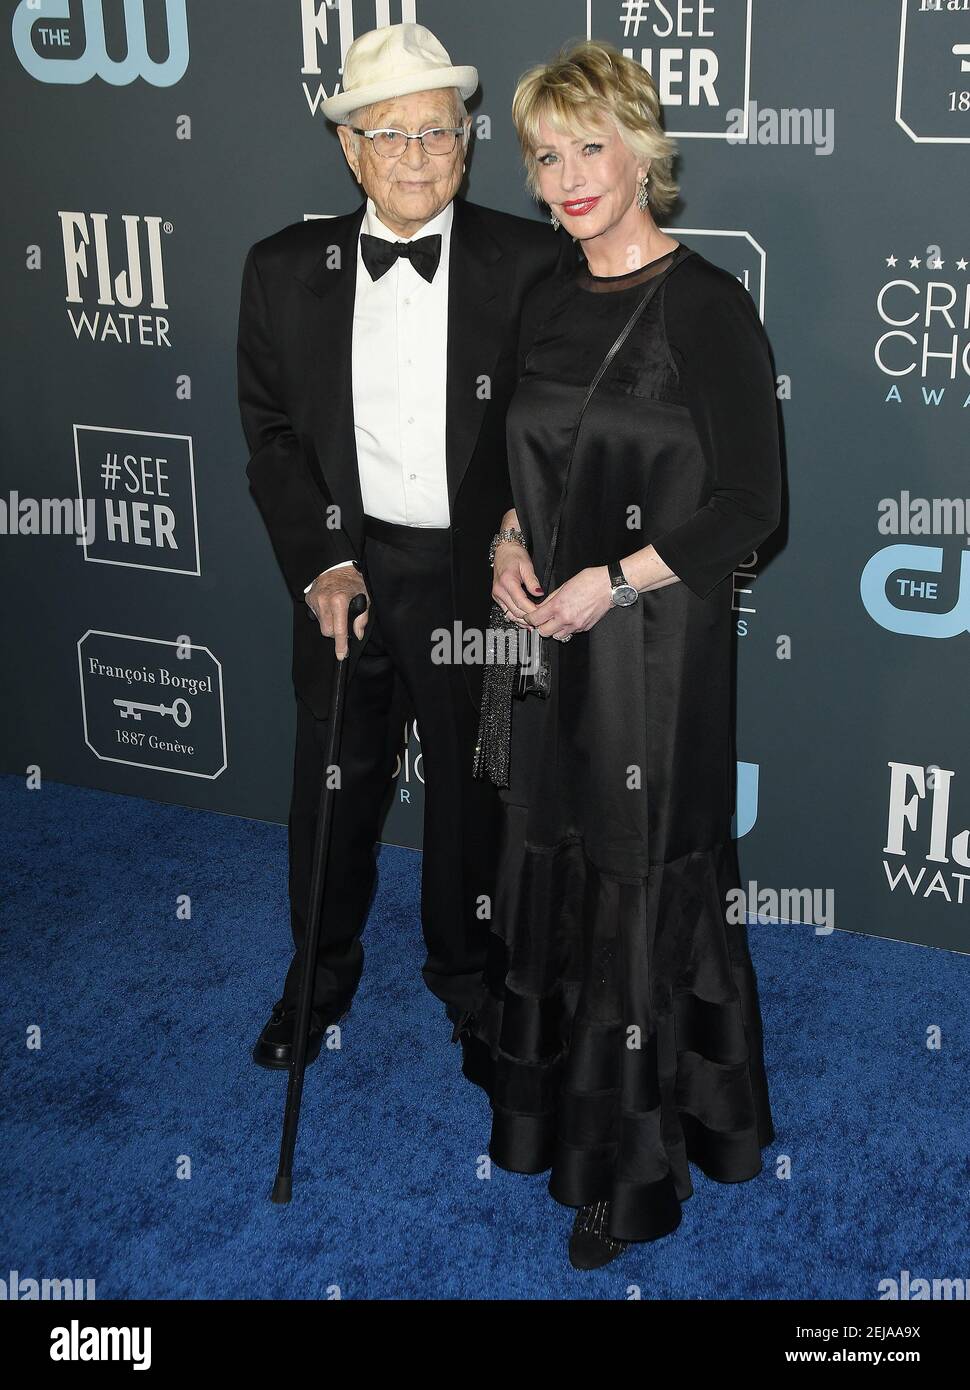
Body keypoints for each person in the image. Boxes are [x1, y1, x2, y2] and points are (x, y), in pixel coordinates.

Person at [463, 38, 783, 1270]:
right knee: (553, 856)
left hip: (655, 643)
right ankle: (555, 1115)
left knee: (637, 873)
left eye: (589, 147)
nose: (566, 177)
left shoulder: (706, 306)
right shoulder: (546, 293)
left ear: (646, 151)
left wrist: (615, 579)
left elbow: (753, 508)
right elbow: (518, 459)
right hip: (548, 634)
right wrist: (504, 542)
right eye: (545, 155)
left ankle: (633, 1168)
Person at [236, 23, 573, 1072]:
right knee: (331, 781)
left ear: (467, 143)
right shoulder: (283, 270)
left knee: (474, 799)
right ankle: (318, 974)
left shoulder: (530, 265)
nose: (419, 155)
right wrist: (320, 562)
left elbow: (557, 426)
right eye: (392, 134)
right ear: (349, 148)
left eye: (439, 131)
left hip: (473, 573)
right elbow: (272, 434)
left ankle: (472, 985)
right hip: (348, 566)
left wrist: (518, 525)